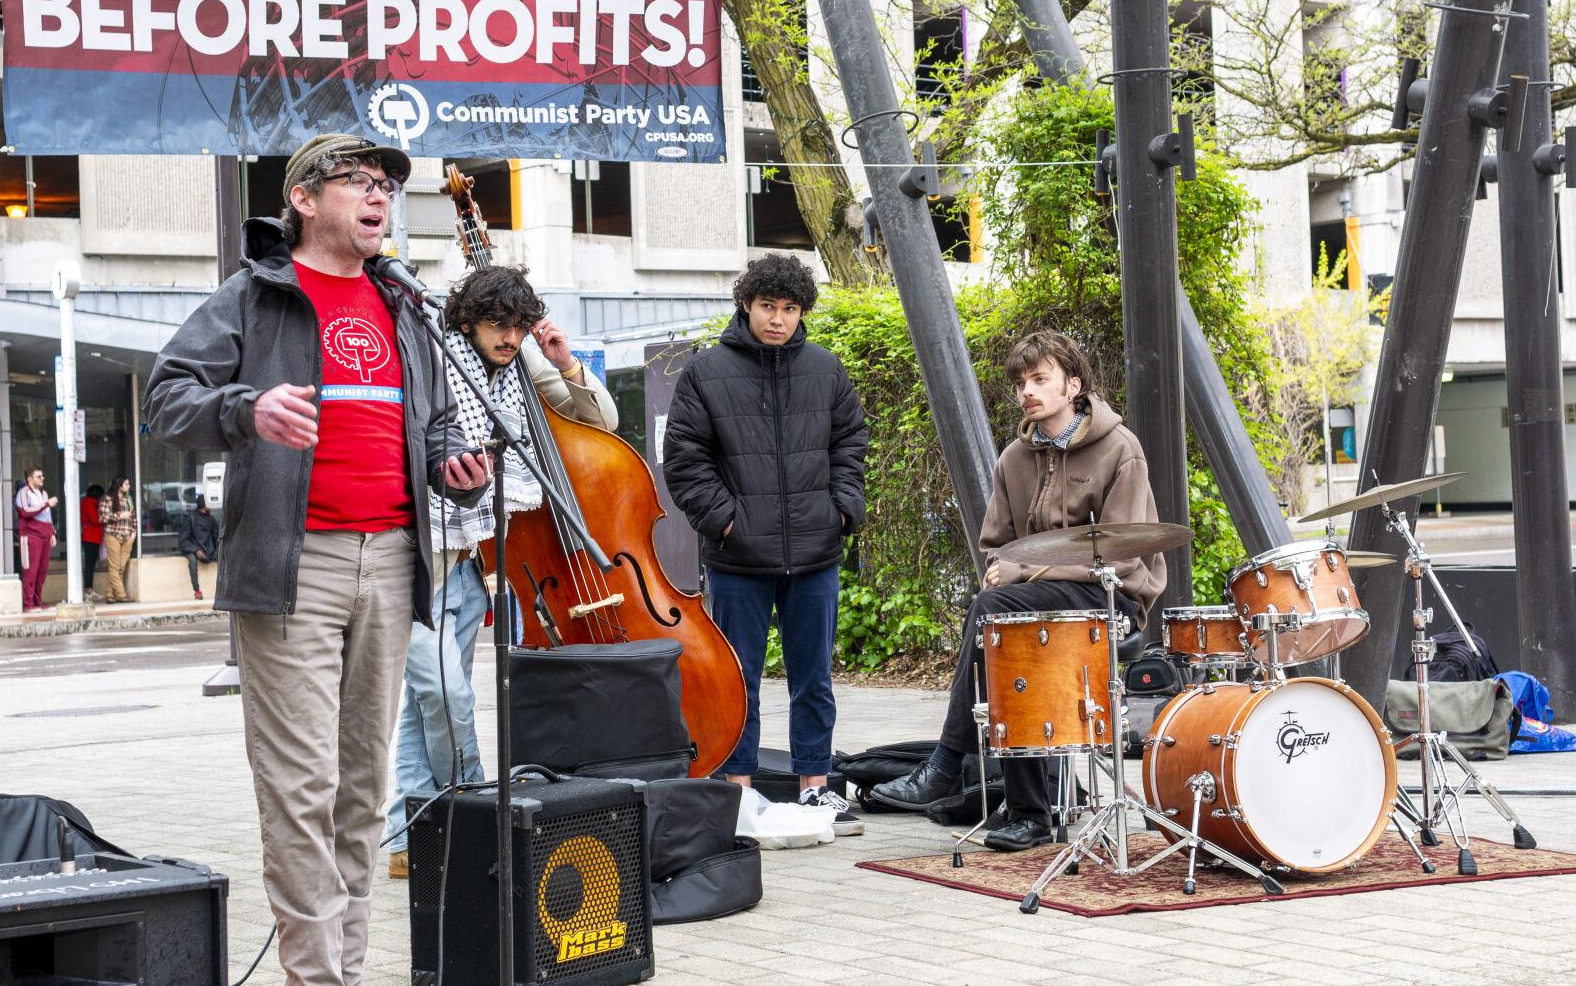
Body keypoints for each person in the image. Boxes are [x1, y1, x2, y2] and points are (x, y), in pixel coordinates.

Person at [144, 131, 489, 986]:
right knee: (302, 790)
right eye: (361, 182)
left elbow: (437, 418)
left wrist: (453, 459)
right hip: (295, 567)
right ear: (304, 198)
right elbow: (167, 397)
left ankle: (345, 983)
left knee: (363, 788)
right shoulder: (256, 296)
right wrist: (246, 407)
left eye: (387, 186)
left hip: (395, 560)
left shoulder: (403, 302)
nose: (380, 198)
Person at [870, 330, 1166, 850]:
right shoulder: (1013, 457)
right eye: (1021, 383)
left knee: (993, 610)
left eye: (1040, 379)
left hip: (1109, 596)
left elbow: (1121, 551)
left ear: (1072, 385)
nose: (1027, 391)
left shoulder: (1122, 449)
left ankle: (946, 760)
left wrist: (1023, 573)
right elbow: (997, 544)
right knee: (1007, 632)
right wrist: (999, 567)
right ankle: (1030, 815)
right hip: (1031, 598)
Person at [384, 264, 619, 879]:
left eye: (517, 326)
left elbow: (603, 421)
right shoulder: (431, 352)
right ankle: (475, 807)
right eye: (498, 325)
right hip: (410, 556)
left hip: (468, 559)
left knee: (423, 704)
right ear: (467, 321)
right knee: (443, 691)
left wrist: (565, 362)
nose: (509, 338)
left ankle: (406, 835)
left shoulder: (519, 365)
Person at [663, 253, 868, 835]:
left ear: (802, 311)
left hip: (815, 553)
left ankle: (816, 787)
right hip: (737, 560)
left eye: (789, 308)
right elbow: (684, 459)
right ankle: (739, 792)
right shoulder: (706, 372)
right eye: (767, 307)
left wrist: (840, 512)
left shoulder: (826, 371)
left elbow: (851, 444)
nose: (778, 319)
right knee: (735, 678)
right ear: (746, 305)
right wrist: (725, 521)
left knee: (814, 675)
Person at [15, 467, 57, 611]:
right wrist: (46, 504)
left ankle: (37, 601)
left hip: (44, 535)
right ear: (30, 479)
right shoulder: (23, 492)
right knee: (30, 571)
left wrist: (52, 533)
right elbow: (25, 512)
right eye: (39, 476)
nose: (42, 478)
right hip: (30, 535)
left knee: (42, 571)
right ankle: (28, 603)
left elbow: (47, 515)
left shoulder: (43, 493)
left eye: (42, 476)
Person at [98, 477, 137, 603]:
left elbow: (134, 517)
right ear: (119, 485)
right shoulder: (107, 498)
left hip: (128, 536)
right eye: (126, 483)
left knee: (121, 567)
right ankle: (121, 594)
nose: (129, 486)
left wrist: (134, 532)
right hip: (113, 535)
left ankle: (110, 594)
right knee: (115, 567)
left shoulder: (128, 499)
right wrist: (119, 515)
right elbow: (102, 518)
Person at [177, 494, 220, 601]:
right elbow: (183, 540)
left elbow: (217, 536)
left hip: (207, 549)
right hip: (192, 548)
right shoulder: (191, 518)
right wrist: (195, 550)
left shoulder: (211, 519)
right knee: (192, 561)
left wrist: (217, 551)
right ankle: (197, 591)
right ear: (203, 505)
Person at [80, 484, 104, 599]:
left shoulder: (87, 501)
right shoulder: (89, 502)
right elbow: (95, 520)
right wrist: (103, 516)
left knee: (90, 564)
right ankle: (88, 590)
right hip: (90, 537)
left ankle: (89, 589)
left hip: (91, 537)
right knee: (90, 565)